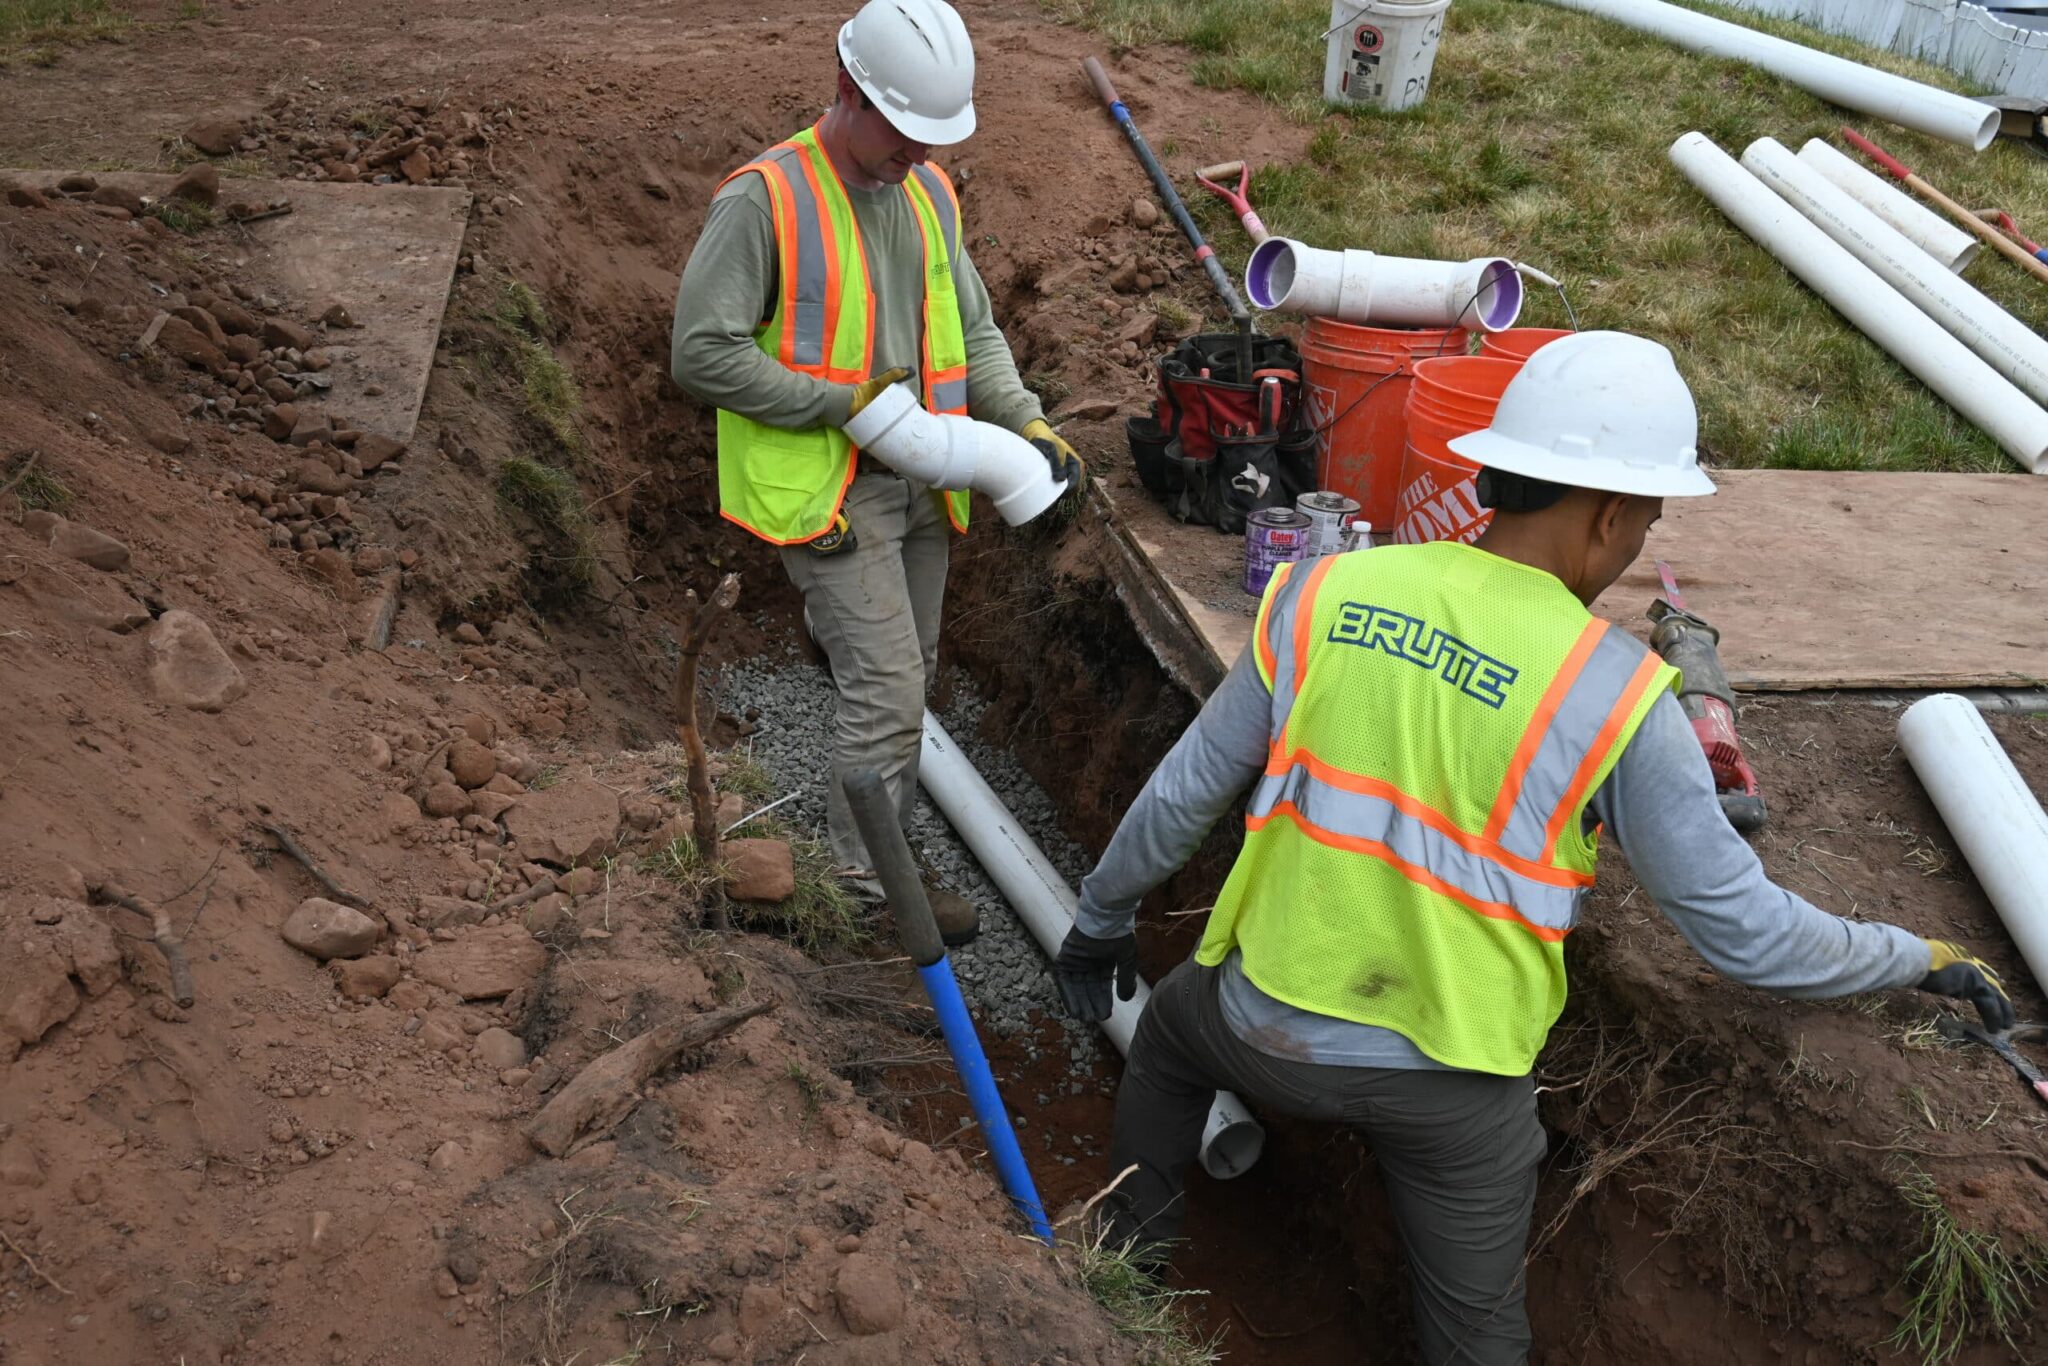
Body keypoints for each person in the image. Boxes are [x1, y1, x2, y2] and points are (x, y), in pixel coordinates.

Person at [1050, 331, 2013, 1365]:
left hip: (1251, 1026)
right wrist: (1916, 955)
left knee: (1162, 1045)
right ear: (1607, 516)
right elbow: (1745, 935)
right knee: (1473, 1333)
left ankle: (1122, 1276)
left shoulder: (1323, 592)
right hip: (1444, 1088)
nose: (1639, 540)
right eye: (1644, 519)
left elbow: (1183, 791)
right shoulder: (1617, 697)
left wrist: (1098, 920)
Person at [670, 0, 1080, 945]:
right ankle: (860, 895)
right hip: (830, 490)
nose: (919, 154)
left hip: (924, 480)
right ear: (849, 93)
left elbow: (971, 328)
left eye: (935, 138)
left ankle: (880, 843)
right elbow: (700, 354)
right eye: (905, 131)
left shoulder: (928, 191)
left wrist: (1024, 417)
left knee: (912, 675)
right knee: (892, 691)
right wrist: (841, 403)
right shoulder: (765, 199)